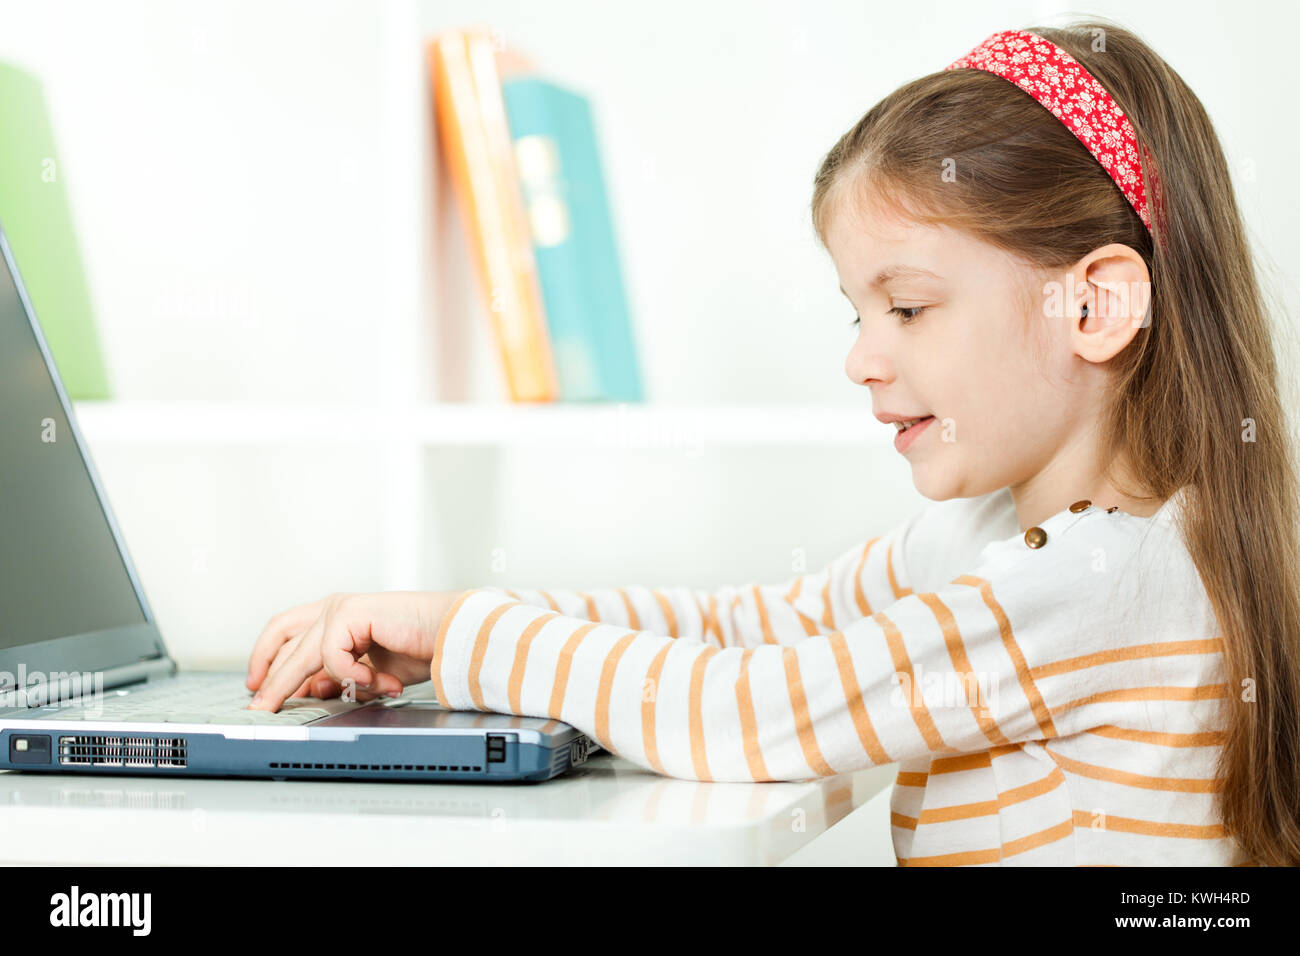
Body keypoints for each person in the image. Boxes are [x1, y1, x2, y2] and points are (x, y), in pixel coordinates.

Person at [244, 19, 1300, 867]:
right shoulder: (992, 536)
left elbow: (745, 712)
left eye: (909, 308)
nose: (862, 360)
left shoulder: (1103, 577)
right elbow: (759, 624)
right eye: (857, 314)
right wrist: (441, 628)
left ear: (1094, 306)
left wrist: (467, 626)